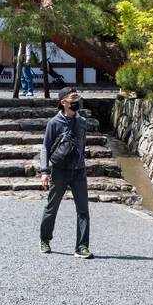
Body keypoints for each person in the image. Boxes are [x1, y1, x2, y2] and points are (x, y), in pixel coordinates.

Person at [39, 87, 92, 258]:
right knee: (52, 206)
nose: (76, 101)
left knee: (83, 209)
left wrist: (81, 162)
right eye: (72, 99)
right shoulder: (54, 123)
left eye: (77, 98)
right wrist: (44, 171)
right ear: (63, 102)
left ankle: (82, 246)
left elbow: (82, 145)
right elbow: (45, 148)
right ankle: (45, 240)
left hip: (79, 171)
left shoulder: (82, 121)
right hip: (59, 171)